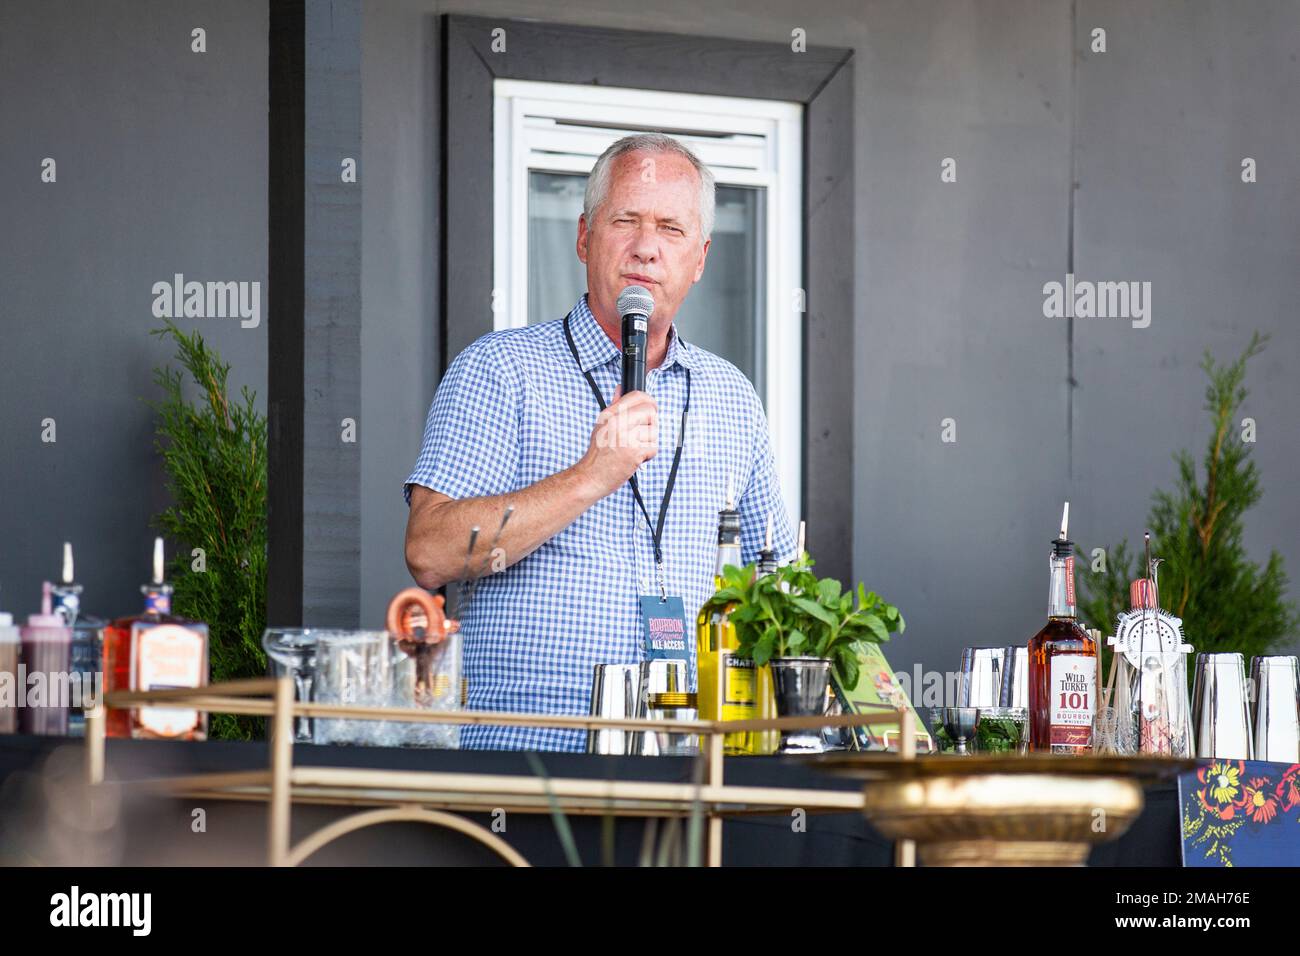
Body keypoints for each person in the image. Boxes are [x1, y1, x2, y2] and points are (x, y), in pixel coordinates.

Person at [404, 132, 794, 751]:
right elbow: (430, 551)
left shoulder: (733, 397)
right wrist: (592, 475)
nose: (645, 248)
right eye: (626, 221)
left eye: (671, 228)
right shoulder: (500, 370)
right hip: (527, 763)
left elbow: (778, 588)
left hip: (690, 769)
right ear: (585, 236)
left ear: (700, 259)